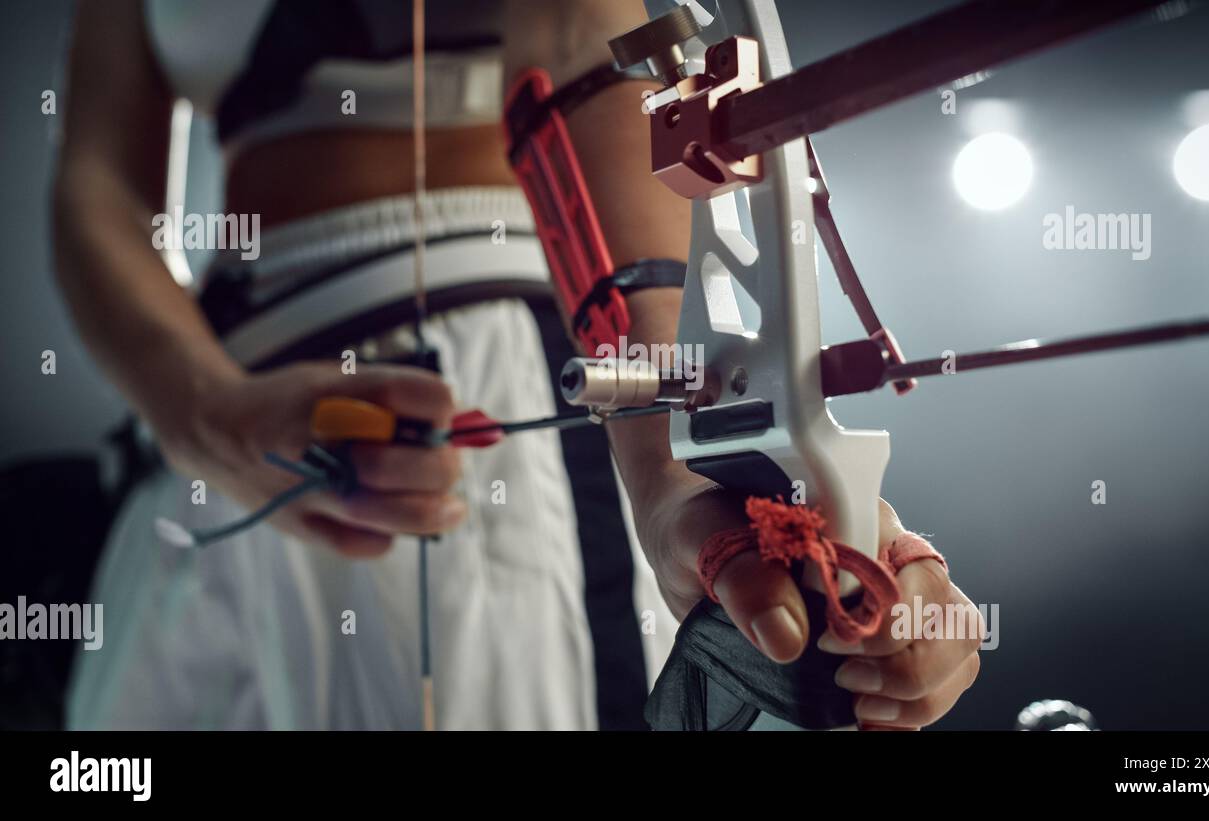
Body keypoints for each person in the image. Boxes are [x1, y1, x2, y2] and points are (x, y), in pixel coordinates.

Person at [53, 0, 979, 730]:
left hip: (496, 387)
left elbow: (584, 48)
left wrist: (670, 467)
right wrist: (208, 415)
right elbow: (97, 182)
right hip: (220, 441)